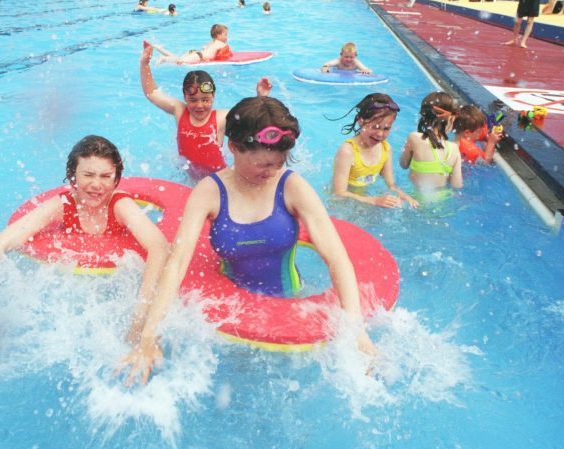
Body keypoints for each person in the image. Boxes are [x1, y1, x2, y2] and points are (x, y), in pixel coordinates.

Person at [116, 96, 377, 385]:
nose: (272, 172)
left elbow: (336, 257)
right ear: (234, 147)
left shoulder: (292, 186)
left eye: (279, 163)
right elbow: (176, 264)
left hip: (290, 303)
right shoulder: (209, 192)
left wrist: (357, 331)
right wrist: (149, 335)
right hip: (229, 311)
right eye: (264, 164)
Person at [0, 135, 169, 343]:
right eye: (88, 175)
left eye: (105, 176)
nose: (96, 184)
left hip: (119, 280)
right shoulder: (63, 205)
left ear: (116, 179)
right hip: (76, 283)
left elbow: (159, 247)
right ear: (72, 176)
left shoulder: (120, 205)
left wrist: (138, 322)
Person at [138, 41, 272, 177]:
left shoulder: (220, 118)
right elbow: (152, 93)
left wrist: (261, 97)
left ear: (213, 96)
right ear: (185, 96)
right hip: (189, 176)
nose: (199, 105)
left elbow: (251, 119)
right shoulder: (179, 110)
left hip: (217, 180)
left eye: (205, 100)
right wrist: (144, 64)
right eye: (193, 100)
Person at [331, 93, 419, 208]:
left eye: (386, 128)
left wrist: (403, 195)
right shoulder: (348, 151)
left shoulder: (385, 149)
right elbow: (339, 193)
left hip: (367, 199)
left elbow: (391, 184)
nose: (380, 134)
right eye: (375, 127)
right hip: (343, 205)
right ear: (360, 121)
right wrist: (374, 201)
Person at [399, 92, 462, 192]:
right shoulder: (454, 149)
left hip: (415, 199)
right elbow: (457, 185)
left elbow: (403, 164)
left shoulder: (414, 138)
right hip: (442, 200)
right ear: (450, 118)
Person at [152, 24, 233, 65]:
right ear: (218, 36)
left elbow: (204, 48)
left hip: (195, 53)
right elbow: (229, 52)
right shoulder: (220, 43)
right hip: (198, 56)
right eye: (225, 35)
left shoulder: (211, 42)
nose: (227, 37)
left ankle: (161, 49)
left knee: (178, 58)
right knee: (180, 62)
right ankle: (163, 58)